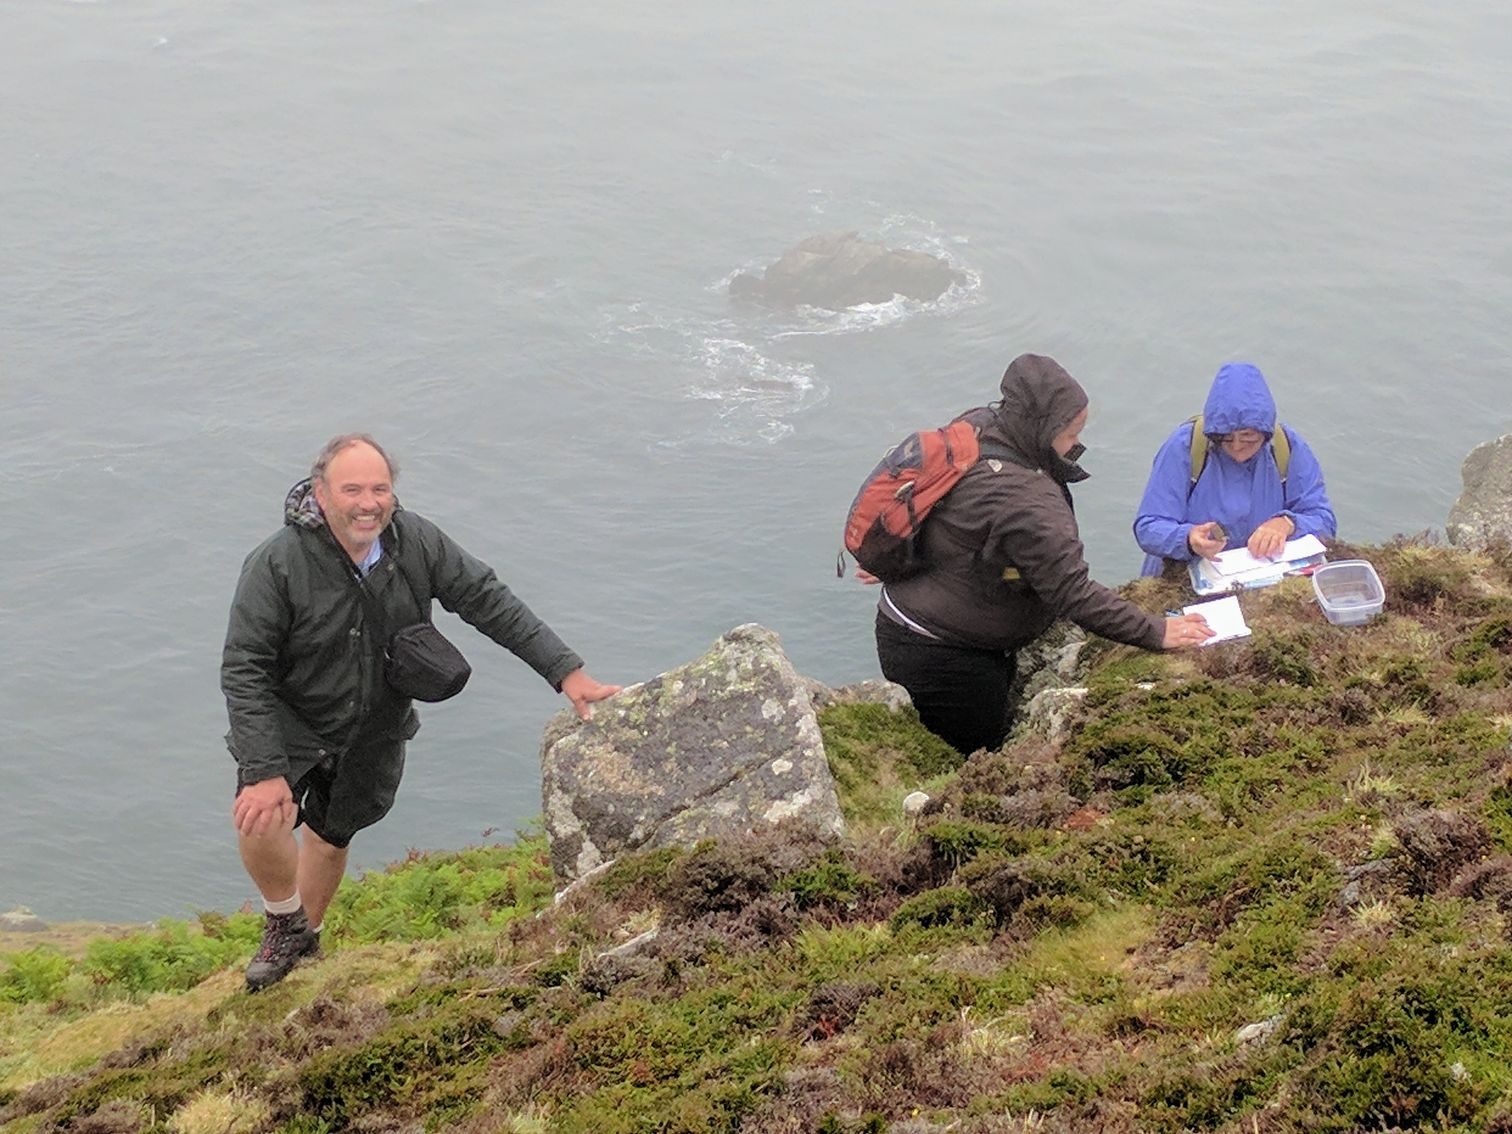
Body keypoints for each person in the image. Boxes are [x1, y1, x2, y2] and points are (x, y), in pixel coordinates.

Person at [222, 434, 620, 991]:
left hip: (375, 725)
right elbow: (245, 665)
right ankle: (283, 917)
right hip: (293, 720)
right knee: (261, 819)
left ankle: (302, 940)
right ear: (320, 493)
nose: (368, 502)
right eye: (353, 489)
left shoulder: (415, 542)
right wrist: (264, 769)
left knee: (333, 835)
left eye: (380, 488)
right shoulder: (278, 563)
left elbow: (488, 599)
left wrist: (566, 672)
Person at [868, 353, 1213, 756]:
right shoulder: (1027, 501)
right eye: (1070, 433)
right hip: (943, 655)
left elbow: (952, 513)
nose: (1077, 444)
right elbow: (1072, 591)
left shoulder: (980, 426)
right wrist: (1156, 631)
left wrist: (899, 553)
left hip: (916, 617)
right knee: (976, 759)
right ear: (1044, 427)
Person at [1133, 361, 1336, 577]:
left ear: (1265, 432)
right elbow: (1148, 526)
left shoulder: (1289, 447)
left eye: (1248, 437)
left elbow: (1323, 519)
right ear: (1213, 432)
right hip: (1188, 577)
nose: (1237, 447)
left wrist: (1287, 523)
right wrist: (1188, 538)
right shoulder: (1185, 447)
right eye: (1226, 438)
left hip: (1261, 577)